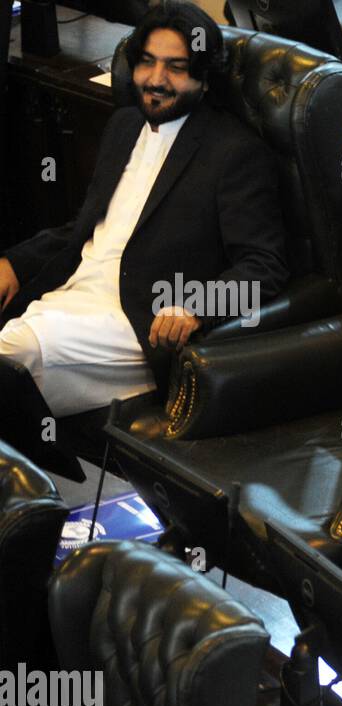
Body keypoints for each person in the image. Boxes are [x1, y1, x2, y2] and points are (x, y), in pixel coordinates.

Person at [0, 1, 288, 423]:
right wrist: (13, 263)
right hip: (73, 297)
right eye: (148, 63)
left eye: (175, 67)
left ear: (203, 79)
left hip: (136, 323)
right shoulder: (124, 125)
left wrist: (195, 306)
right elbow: (87, 227)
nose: (156, 80)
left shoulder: (235, 154)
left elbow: (266, 267)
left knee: (12, 353)